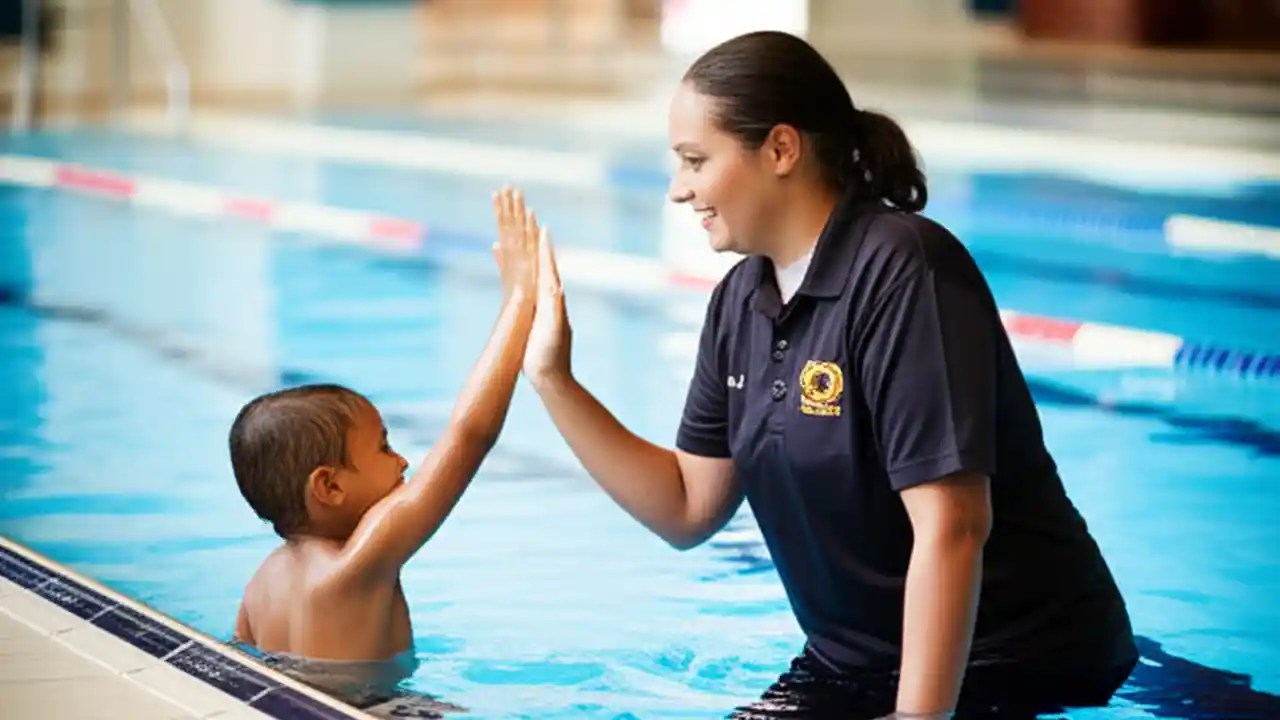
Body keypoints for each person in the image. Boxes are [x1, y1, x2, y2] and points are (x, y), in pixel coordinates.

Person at [521, 31, 1137, 720]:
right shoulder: (740, 302)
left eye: (696, 160)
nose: (678, 189)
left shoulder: (905, 271)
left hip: (1014, 661)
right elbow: (688, 508)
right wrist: (553, 378)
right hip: (853, 666)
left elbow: (953, 525)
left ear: (781, 150)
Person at [227, 188, 547, 716]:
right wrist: (519, 298)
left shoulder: (262, 583)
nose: (402, 462)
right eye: (383, 447)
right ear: (328, 485)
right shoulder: (356, 565)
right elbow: (468, 437)